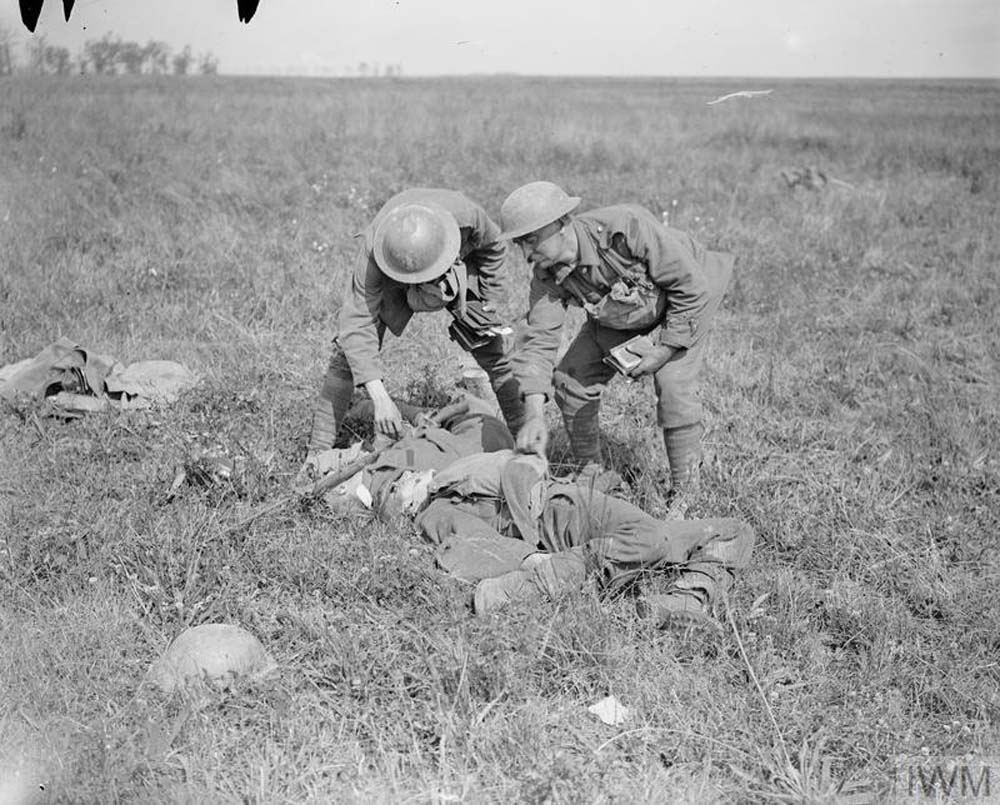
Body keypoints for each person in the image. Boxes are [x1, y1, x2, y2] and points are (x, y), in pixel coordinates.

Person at [497, 181, 734, 517]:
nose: (526, 253)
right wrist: (534, 415)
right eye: (520, 243)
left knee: (672, 384)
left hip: (688, 298)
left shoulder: (624, 229)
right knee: (570, 381)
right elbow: (539, 342)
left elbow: (690, 286)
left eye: (532, 240)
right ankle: (593, 474)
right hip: (624, 312)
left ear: (563, 223)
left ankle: (685, 490)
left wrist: (663, 351)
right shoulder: (547, 276)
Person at [303, 188, 524, 478]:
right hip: (394, 274)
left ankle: (527, 445)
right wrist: (381, 399)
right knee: (346, 356)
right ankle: (316, 455)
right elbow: (357, 324)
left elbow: (494, 248)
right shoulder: (376, 252)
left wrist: (489, 302)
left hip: (455, 267)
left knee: (492, 349)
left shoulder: (467, 219)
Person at [415, 449, 754, 627]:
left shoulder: (443, 454)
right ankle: (525, 588)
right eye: (401, 482)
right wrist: (530, 561)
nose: (410, 476)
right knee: (651, 538)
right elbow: (473, 541)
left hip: (566, 501)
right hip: (553, 516)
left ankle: (683, 603)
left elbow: (471, 408)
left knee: (736, 530)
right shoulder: (435, 509)